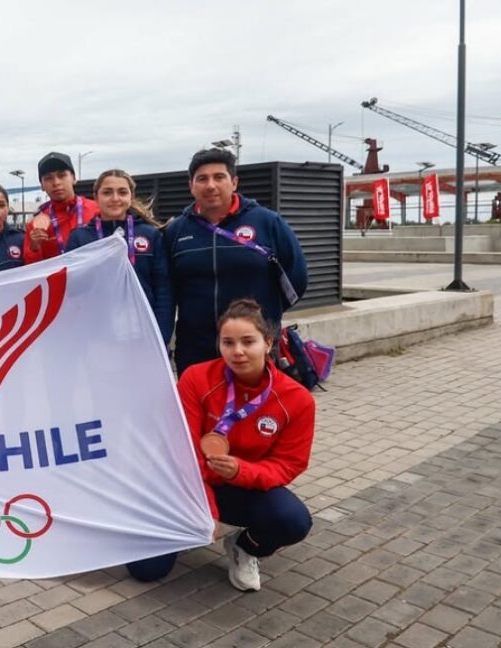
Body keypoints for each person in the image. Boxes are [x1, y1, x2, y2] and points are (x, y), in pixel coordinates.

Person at [125, 299, 314, 590]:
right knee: (146, 570)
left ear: (268, 343)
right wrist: (207, 510)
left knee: (292, 520)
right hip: (188, 483)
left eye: (248, 342)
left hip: (244, 485)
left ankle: (245, 547)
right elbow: (182, 449)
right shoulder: (196, 378)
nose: (237, 351)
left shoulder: (297, 399)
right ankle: (195, 522)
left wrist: (241, 471)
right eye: (228, 342)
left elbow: (289, 464)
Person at [163, 148, 308, 374]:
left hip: (252, 347)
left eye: (219, 177)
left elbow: (296, 280)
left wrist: (265, 316)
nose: (211, 185)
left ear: (234, 182)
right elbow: (168, 289)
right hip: (195, 348)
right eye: (202, 179)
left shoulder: (268, 223)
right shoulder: (176, 231)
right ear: (191, 186)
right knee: (198, 408)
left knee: (257, 409)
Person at [67, 170, 174, 345]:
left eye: (122, 192)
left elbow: (163, 290)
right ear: (96, 197)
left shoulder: (150, 235)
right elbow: (72, 290)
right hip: (97, 335)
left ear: (131, 196)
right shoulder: (80, 238)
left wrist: (161, 336)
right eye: (107, 192)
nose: (115, 198)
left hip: (143, 332)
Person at [23, 152, 99, 263]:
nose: (56, 182)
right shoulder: (36, 225)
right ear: (42, 186)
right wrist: (35, 248)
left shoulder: (97, 210)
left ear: (73, 178)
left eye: (62, 175)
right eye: (48, 178)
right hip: (60, 280)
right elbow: (32, 269)